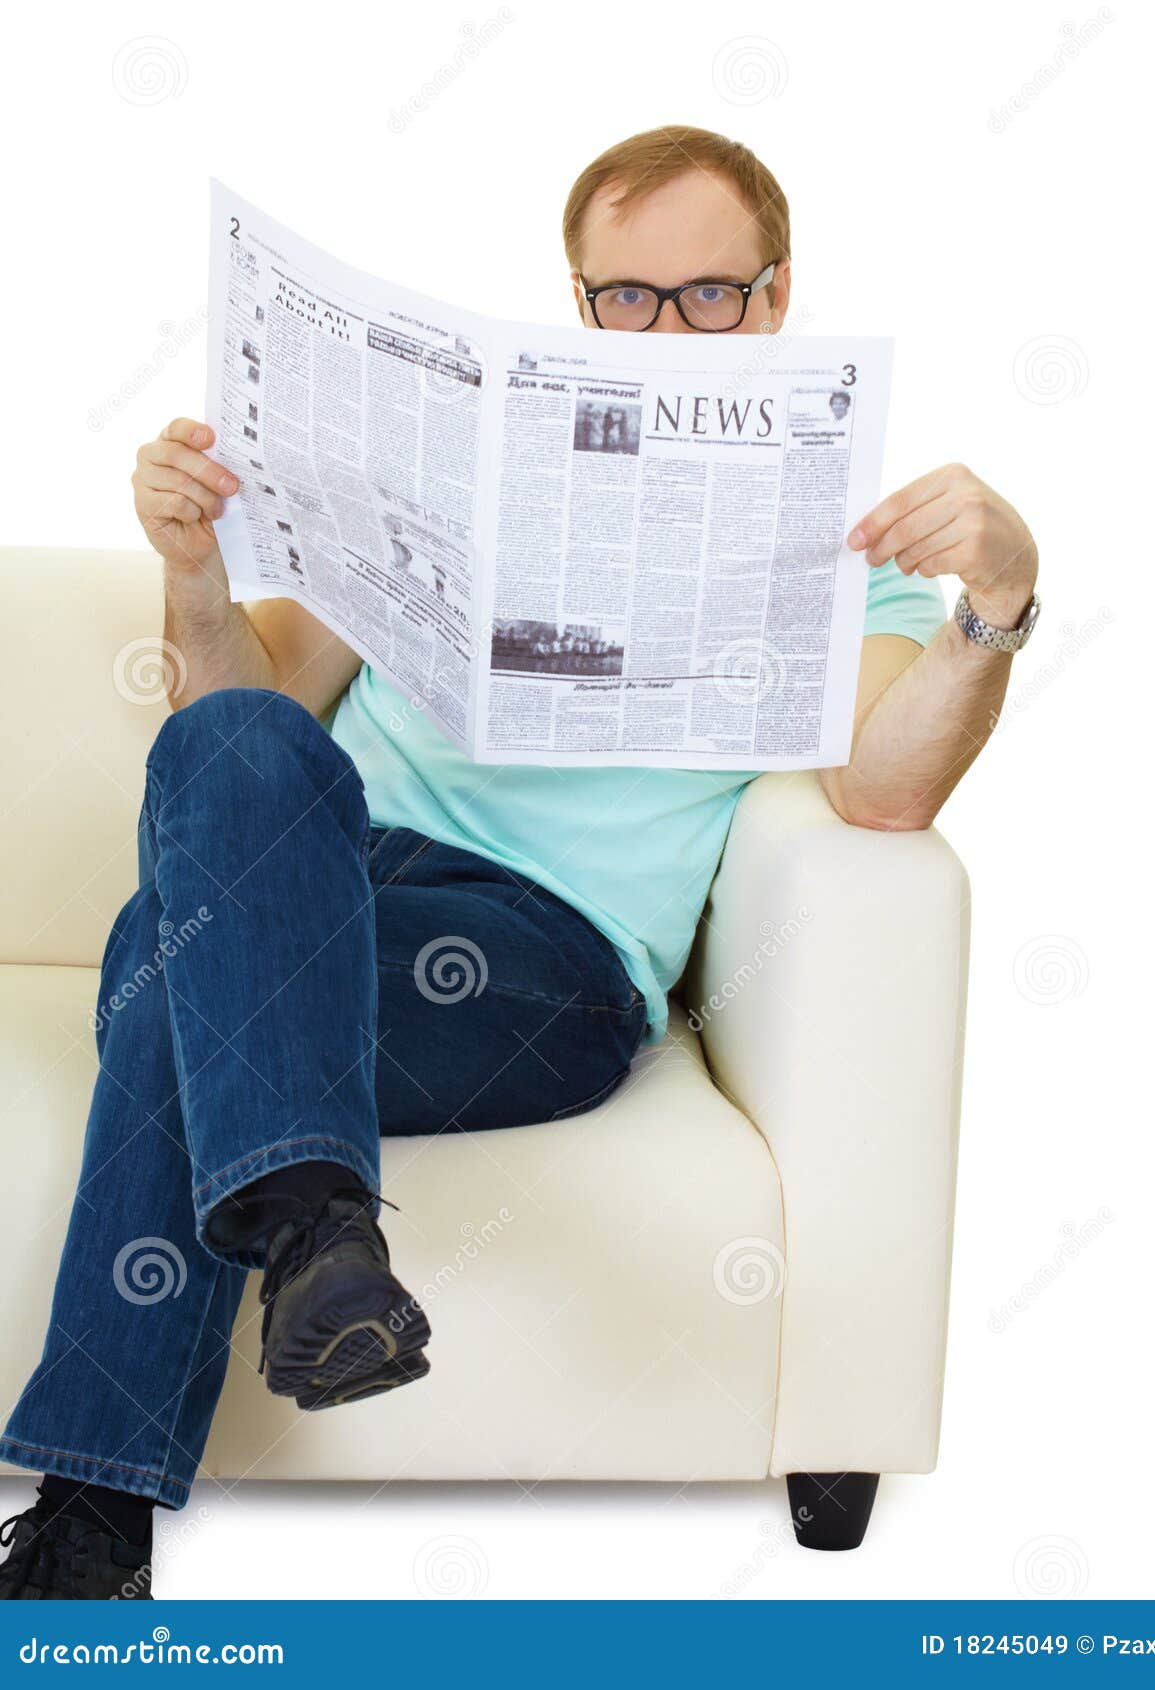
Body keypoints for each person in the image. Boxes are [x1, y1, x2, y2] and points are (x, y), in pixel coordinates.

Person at [0, 124, 1039, 1598]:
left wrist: (988, 606)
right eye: (626, 297)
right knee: (227, 746)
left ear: (778, 294)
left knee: (168, 988)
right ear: (578, 300)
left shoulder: (838, 557)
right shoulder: (454, 484)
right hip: (324, 877)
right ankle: (317, 1233)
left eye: (707, 296)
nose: (666, 333)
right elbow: (240, 719)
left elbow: (885, 790)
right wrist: (193, 577)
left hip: (542, 959)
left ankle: (92, 1522)